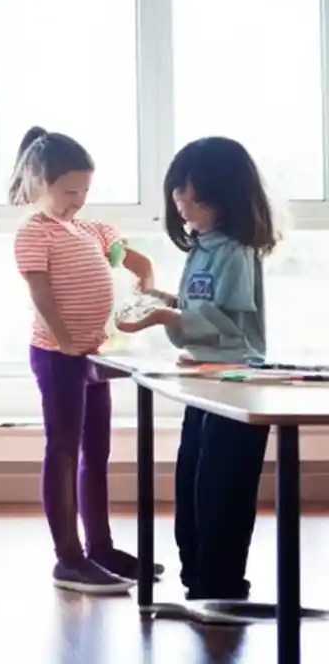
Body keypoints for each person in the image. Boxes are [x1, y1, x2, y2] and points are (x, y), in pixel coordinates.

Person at [117, 136, 279, 600]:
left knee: (221, 484)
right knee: (192, 475)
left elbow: (224, 323)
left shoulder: (235, 251)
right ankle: (197, 577)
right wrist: (162, 301)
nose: (182, 203)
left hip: (235, 378)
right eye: (178, 194)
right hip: (204, 376)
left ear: (225, 197)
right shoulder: (203, 246)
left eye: (194, 196)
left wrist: (165, 316)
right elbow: (197, 308)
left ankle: (220, 585)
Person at [10, 126, 164, 593]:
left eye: (84, 192)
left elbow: (135, 261)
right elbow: (40, 292)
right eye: (68, 192)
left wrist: (144, 285)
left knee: (96, 452)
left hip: (93, 357)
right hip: (58, 356)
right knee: (62, 450)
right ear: (40, 182)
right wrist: (64, 340)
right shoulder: (34, 232)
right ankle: (69, 558)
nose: (77, 201)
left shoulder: (90, 230)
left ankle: (101, 547)